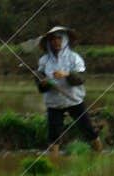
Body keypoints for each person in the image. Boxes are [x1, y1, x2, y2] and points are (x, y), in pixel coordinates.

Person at [34, 26, 103, 156]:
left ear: (65, 40)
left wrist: (66, 74)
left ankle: (100, 155)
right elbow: (40, 81)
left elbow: (81, 79)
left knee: (89, 131)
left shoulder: (74, 58)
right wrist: (43, 82)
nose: (56, 42)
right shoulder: (44, 61)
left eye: (59, 38)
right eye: (53, 39)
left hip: (74, 100)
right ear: (49, 42)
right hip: (54, 103)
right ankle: (53, 162)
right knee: (53, 136)